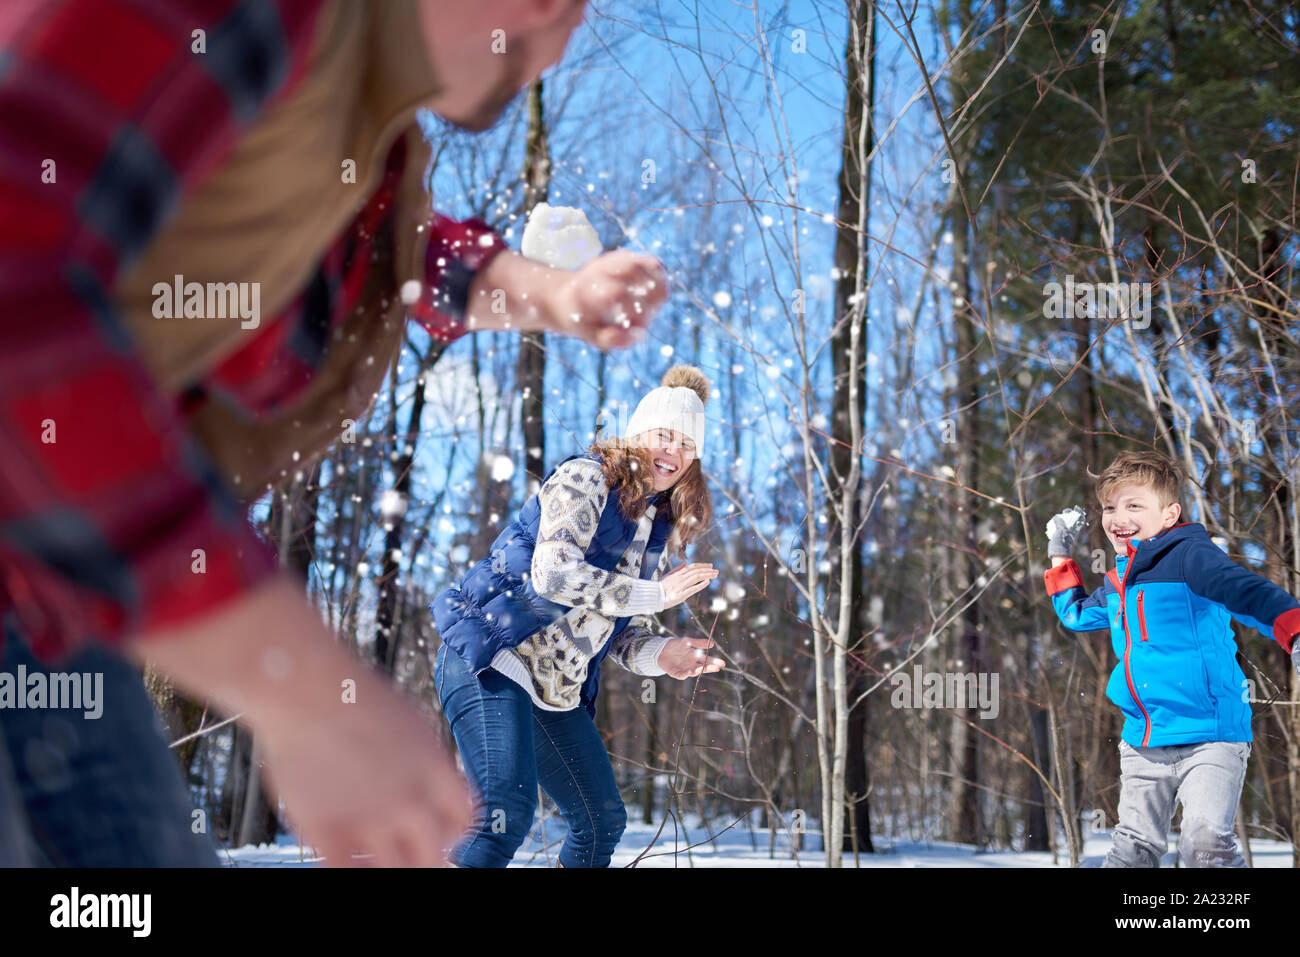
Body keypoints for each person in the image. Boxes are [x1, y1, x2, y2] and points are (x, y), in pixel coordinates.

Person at [0, 0, 667, 867]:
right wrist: (296, 684)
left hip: (50, 605)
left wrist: (555, 297)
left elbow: (409, 253)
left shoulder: (352, 109)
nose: (567, 28)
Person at [432, 366, 725, 867]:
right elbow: (553, 574)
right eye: (663, 435)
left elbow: (620, 626)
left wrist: (663, 653)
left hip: (554, 689)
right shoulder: (586, 478)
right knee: (504, 814)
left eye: (686, 444)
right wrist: (655, 594)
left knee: (601, 820)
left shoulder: (653, 525)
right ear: (637, 435)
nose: (673, 451)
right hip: (493, 656)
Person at [1043, 450, 1300, 867]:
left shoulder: (1191, 558)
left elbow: (1245, 591)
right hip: (1145, 740)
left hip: (1211, 736)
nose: (1117, 517)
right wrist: (1059, 551)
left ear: (1169, 514)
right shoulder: (1119, 580)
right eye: (1110, 507)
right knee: (1132, 849)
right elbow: (1075, 614)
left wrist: (1294, 629)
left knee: (1204, 844)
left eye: (1133, 505)